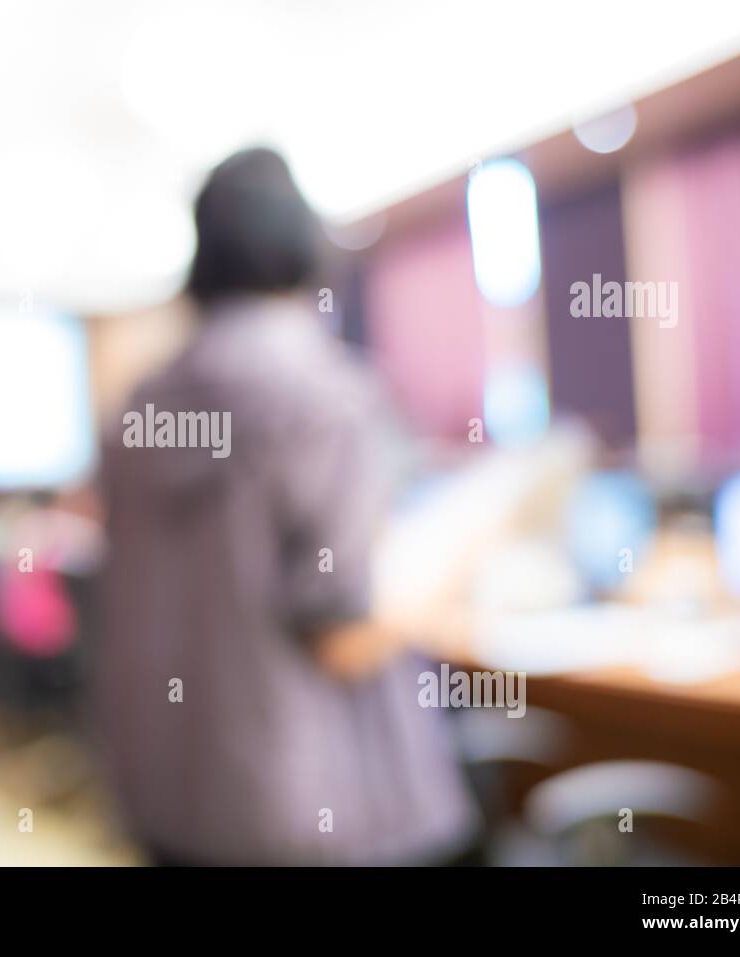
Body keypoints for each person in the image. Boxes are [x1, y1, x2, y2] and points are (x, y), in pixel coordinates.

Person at [94, 148, 479, 865]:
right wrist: (472, 535)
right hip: (312, 815)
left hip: (172, 797)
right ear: (307, 250)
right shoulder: (327, 400)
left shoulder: (136, 415)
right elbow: (343, 631)